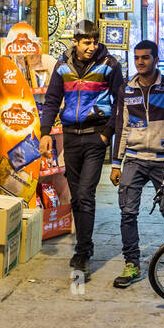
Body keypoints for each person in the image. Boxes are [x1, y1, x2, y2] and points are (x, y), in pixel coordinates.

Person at [40, 20, 125, 275]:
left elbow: (120, 103)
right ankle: (84, 245)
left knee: (86, 194)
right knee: (77, 195)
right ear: (75, 42)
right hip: (71, 137)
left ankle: (83, 251)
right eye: (86, 42)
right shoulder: (62, 65)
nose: (92, 46)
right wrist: (45, 133)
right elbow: (53, 99)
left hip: (95, 137)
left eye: (95, 41)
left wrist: (107, 133)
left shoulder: (110, 65)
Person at [109, 40, 164, 288]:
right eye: (136, 58)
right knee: (127, 211)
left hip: (163, 159)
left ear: (156, 59)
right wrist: (116, 163)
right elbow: (121, 126)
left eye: (145, 57)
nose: (140, 62)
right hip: (134, 159)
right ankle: (132, 263)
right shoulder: (127, 90)